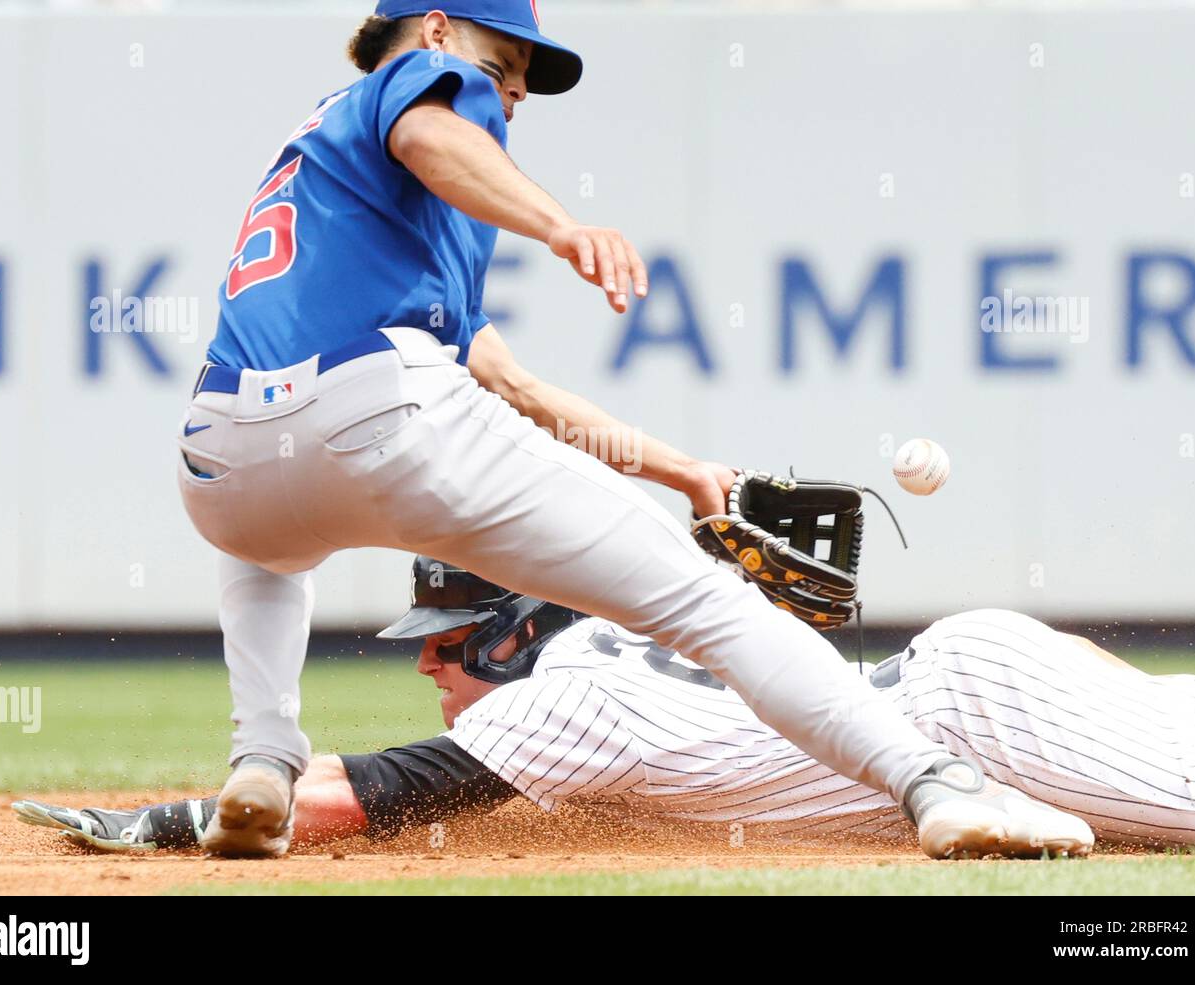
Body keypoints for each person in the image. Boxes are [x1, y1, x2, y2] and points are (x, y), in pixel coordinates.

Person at [175, 1, 1082, 859]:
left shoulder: (335, 174)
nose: (513, 94)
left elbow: (513, 384)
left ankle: (262, 762)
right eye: (501, 66)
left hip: (218, 459)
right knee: (707, 604)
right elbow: (429, 129)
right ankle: (935, 781)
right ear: (438, 31)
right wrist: (561, 227)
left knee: (266, 555)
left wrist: (682, 469)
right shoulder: (408, 94)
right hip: (376, 412)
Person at [41, 561, 1195, 859]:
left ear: (514, 632)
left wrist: (166, 819)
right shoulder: (615, 634)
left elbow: (361, 797)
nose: (425, 666)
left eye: (447, 642)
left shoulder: (567, 695)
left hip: (983, 710)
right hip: (963, 688)